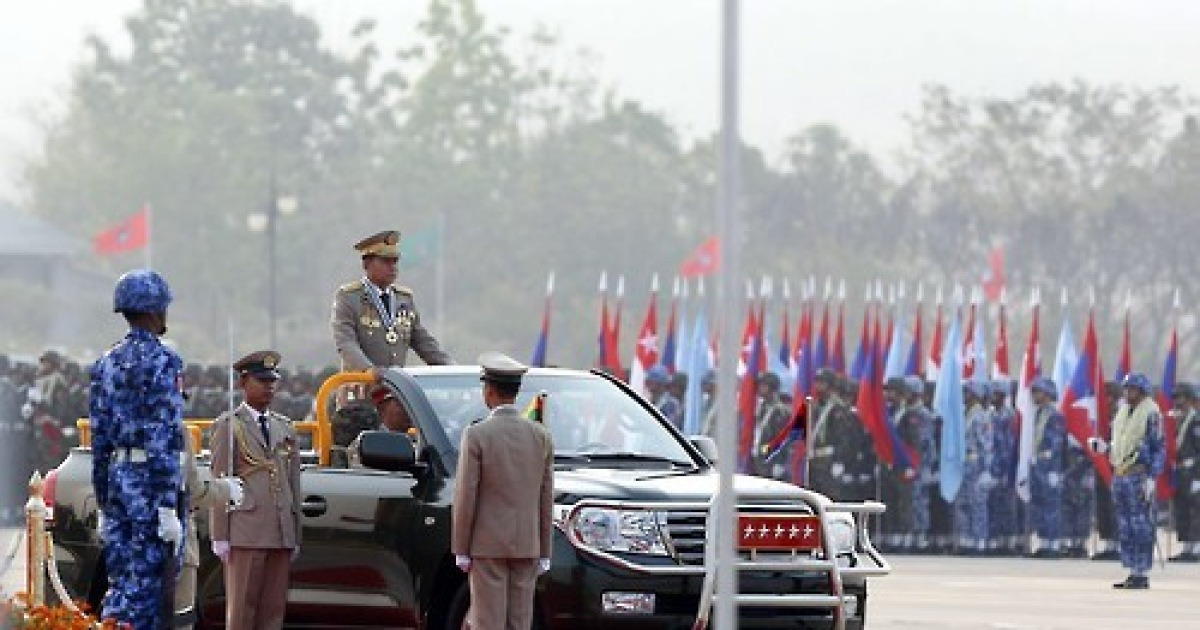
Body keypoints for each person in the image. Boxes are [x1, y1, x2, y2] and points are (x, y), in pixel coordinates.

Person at [89, 269, 186, 629]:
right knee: (150, 589)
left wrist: (103, 500)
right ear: (156, 310)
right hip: (150, 486)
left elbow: (99, 438)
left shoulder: (106, 363)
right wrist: (167, 505)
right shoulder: (165, 361)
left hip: (118, 481)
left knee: (120, 582)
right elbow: (164, 435)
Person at [452, 352, 554, 630]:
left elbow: (466, 495)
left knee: (488, 621)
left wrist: (461, 548)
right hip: (528, 545)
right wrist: (545, 550)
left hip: (487, 545)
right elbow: (545, 497)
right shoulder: (541, 435)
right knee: (519, 622)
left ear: (489, 391)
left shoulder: (477, 435)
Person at [210, 351, 302, 629]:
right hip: (246, 531)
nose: (269, 387)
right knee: (242, 611)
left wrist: (295, 533)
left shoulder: (284, 427)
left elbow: (293, 484)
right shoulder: (230, 426)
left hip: (280, 530)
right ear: (243, 382)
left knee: (272, 612)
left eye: (272, 381)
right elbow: (219, 481)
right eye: (261, 381)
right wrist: (220, 535)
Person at [331, 230, 451, 371]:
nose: (392, 267)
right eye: (385, 261)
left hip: (395, 383)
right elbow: (346, 343)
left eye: (395, 261)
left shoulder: (404, 299)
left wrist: (452, 368)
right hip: (361, 381)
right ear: (366, 264)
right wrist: (368, 370)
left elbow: (424, 343)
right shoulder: (349, 297)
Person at [1089, 373, 1165, 588]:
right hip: (1121, 474)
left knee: (1140, 525)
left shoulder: (1151, 413)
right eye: (1126, 389)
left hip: (1139, 475)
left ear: (1142, 391)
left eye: (1132, 389)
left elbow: (1159, 448)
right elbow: (1122, 445)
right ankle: (1132, 569)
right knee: (1125, 525)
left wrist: (1152, 477)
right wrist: (1104, 448)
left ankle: (1142, 572)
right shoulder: (1123, 412)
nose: (1128, 393)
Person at [175, 429, 242, 629]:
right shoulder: (173, 428)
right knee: (180, 618)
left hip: (130, 542)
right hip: (175, 543)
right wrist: (227, 489)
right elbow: (192, 488)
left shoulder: (119, 422)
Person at [955, 381, 996, 555]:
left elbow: (986, 445)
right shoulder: (965, 414)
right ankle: (967, 541)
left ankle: (979, 543)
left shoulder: (981, 417)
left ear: (976, 395)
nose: (964, 396)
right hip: (964, 466)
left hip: (976, 466)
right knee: (963, 504)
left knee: (978, 505)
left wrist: (986, 470)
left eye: (968, 393)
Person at [1029, 376, 1066, 558]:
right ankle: (1044, 542)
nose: (1034, 395)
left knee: (1051, 506)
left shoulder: (1055, 415)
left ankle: (1053, 544)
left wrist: (1054, 470)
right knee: (1040, 505)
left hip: (1050, 467)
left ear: (1047, 394)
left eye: (1038, 392)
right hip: (1038, 466)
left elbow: (1057, 445)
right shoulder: (1039, 414)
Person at [1093, 381, 1123, 560]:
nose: (1106, 400)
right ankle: (1109, 543)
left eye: (1109, 396)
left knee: (1116, 506)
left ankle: (1118, 544)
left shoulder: (1122, 415)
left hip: (1118, 467)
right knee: (1103, 506)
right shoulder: (1101, 417)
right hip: (1103, 465)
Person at [1171, 382, 1200, 562]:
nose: (1177, 402)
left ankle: (1196, 548)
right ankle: (1187, 547)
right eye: (1175, 398)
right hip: (1181, 473)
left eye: (1180, 397)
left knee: (1196, 511)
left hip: (1195, 473)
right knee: (1182, 509)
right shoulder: (1177, 421)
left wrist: (1198, 476)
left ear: (1189, 400)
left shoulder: (1196, 421)